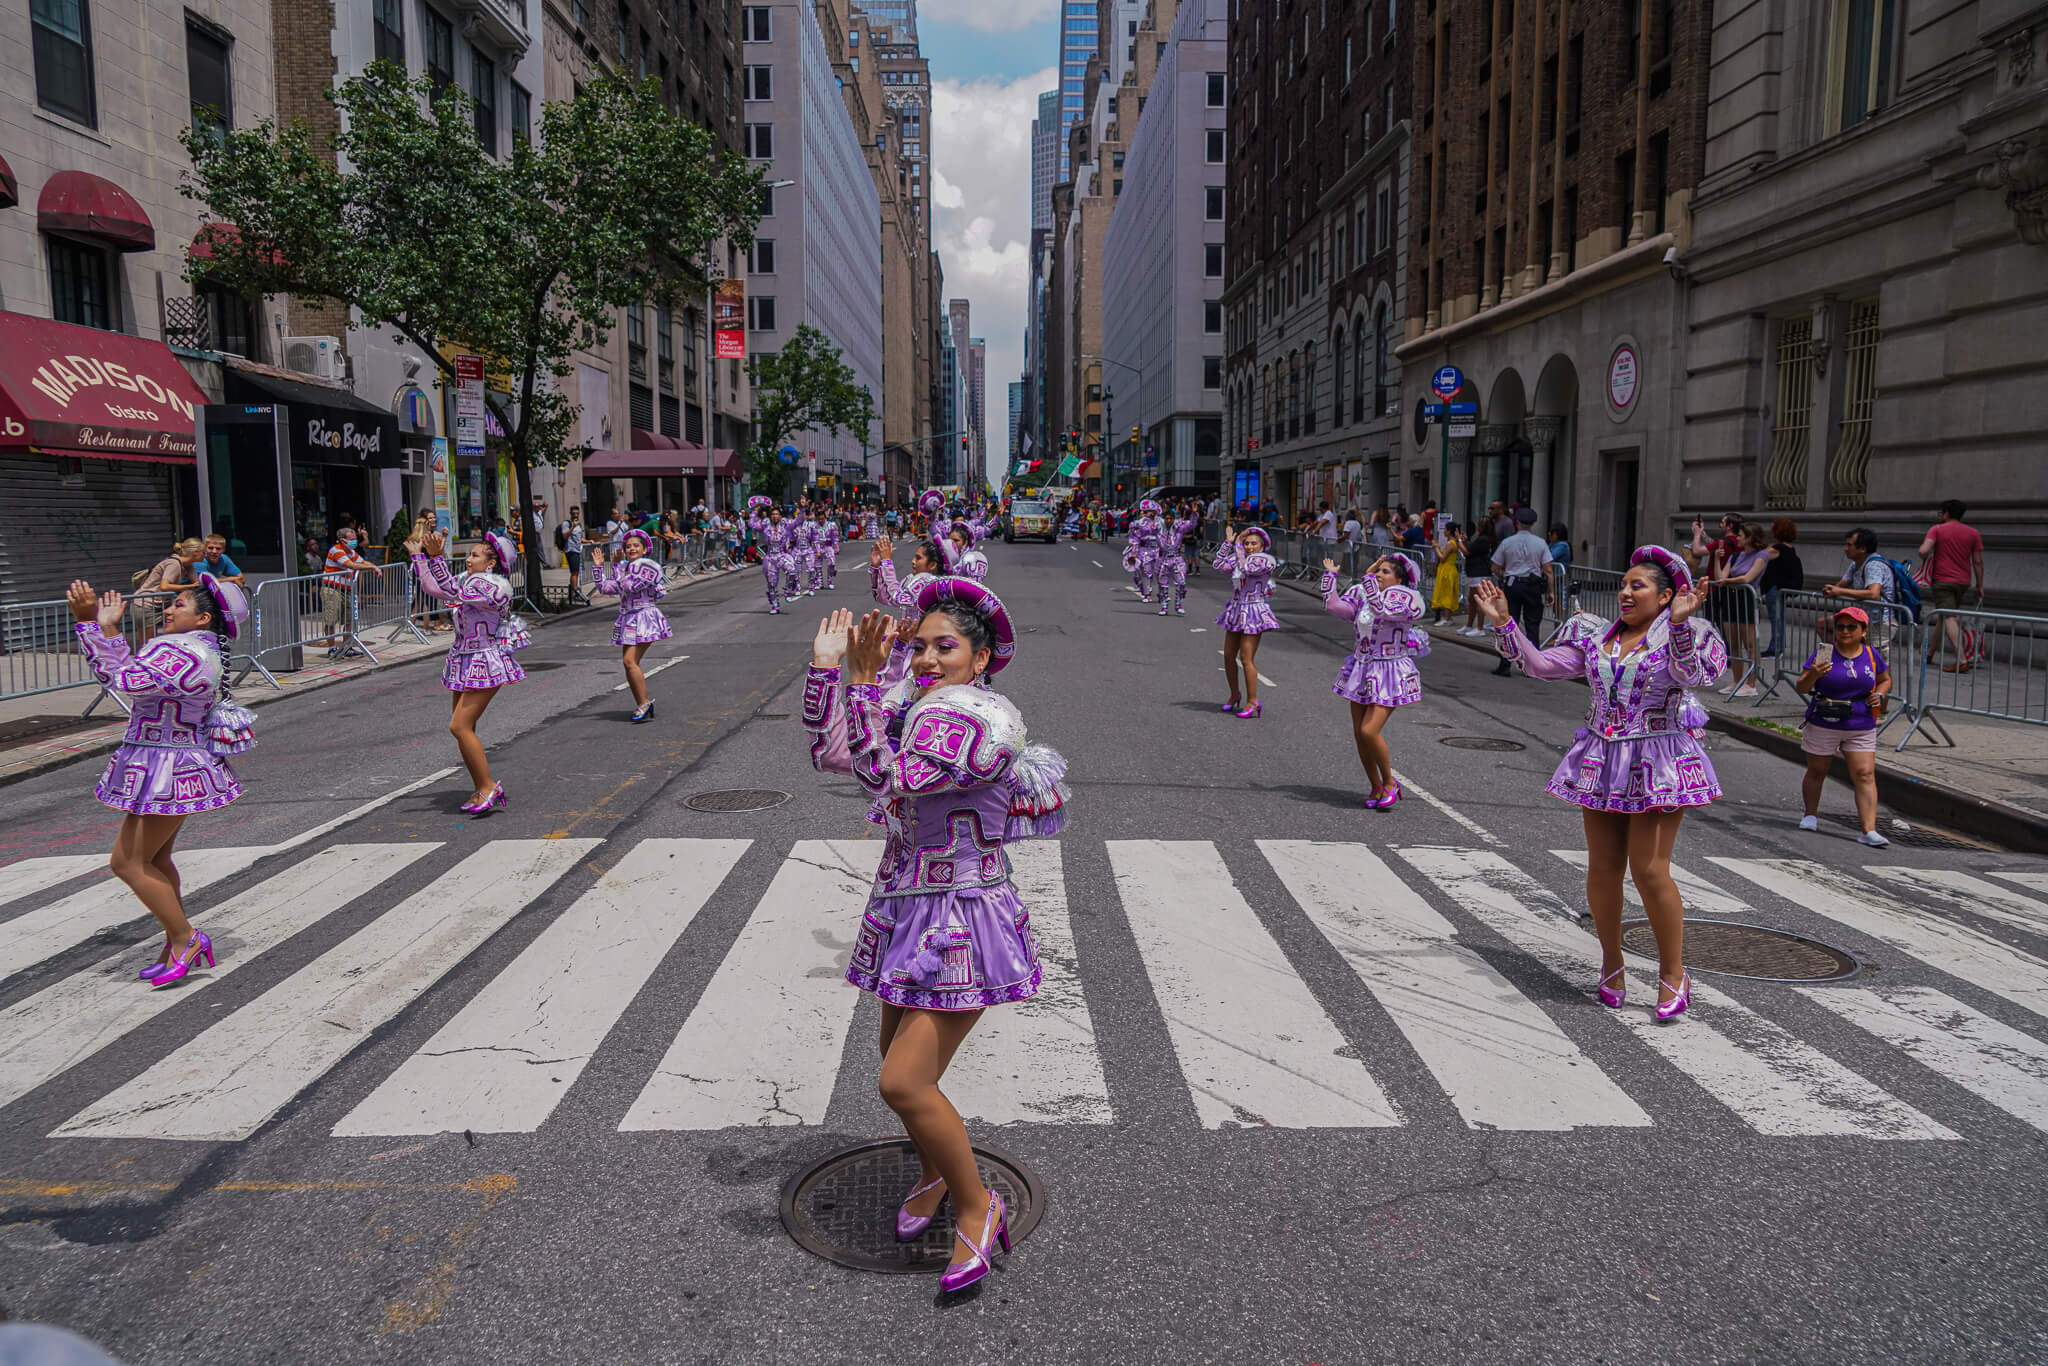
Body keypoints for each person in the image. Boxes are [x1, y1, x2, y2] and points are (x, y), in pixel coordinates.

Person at [803, 582, 1068, 1292]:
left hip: (959, 918)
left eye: (944, 646)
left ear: (981, 659)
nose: (925, 658)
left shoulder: (980, 721)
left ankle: (979, 1205)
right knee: (895, 1060)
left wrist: (863, 682)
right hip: (906, 908)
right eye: (918, 646)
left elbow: (887, 779)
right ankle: (932, 1172)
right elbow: (834, 754)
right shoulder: (917, 706)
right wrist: (829, 670)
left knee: (902, 1080)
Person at [1475, 547, 1725, 1019]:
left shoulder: (1681, 636)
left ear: (1665, 596)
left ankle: (1674, 972)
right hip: (1603, 758)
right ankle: (1612, 961)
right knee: (1603, 868)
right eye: (1624, 584)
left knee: (1650, 871)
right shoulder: (1595, 638)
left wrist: (1677, 623)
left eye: (1638, 585)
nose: (1625, 592)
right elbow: (1540, 666)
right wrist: (1505, 623)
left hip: (1658, 760)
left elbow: (1691, 674)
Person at [67, 571, 253, 985]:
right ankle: (175, 941)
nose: (168, 610)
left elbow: (124, 680)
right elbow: (134, 679)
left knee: (127, 863)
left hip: (167, 766)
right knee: (154, 860)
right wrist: (106, 629)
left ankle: (187, 937)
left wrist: (92, 624)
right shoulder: (197, 649)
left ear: (203, 619)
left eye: (178, 604)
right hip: (167, 762)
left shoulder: (183, 651)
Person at [406, 528, 527, 813]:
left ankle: (488, 786)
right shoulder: (469, 580)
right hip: (464, 660)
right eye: (469, 555)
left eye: (474, 555)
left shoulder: (494, 586)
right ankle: (481, 786)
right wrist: (420, 557)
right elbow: (435, 588)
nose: (469, 559)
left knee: (459, 726)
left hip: (485, 660)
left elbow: (450, 589)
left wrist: (434, 558)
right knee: (463, 729)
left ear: (491, 562)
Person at [1323, 554, 1429, 809]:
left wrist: (1368, 579)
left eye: (1385, 572)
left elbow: (1382, 609)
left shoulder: (1406, 598)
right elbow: (1335, 607)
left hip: (1389, 670)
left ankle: (1390, 782)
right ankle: (1375, 786)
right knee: (1359, 735)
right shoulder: (1363, 593)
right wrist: (1331, 576)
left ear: (1399, 579)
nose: (1379, 575)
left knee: (1369, 731)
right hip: (1361, 669)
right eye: (1378, 570)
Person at [1794, 605, 1892, 847]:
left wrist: (1880, 694)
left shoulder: (1871, 654)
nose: (1845, 631)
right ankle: (1810, 814)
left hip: (1861, 722)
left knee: (1865, 774)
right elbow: (1802, 687)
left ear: (1863, 631)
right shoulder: (1825, 653)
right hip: (1825, 720)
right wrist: (1814, 674)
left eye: (1851, 627)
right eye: (1840, 627)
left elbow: (1885, 680)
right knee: (1818, 770)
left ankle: (1868, 830)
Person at [590, 528, 671, 723]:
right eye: (628, 546)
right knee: (629, 664)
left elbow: (629, 586)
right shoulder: (625, 568)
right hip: (628, 620)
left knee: (629, 661)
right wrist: (599, 567)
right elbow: (606, 588)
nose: (631, 548)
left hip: (645, 617)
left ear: (644, 550)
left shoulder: (646, 569)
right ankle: (643, 703)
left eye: (636, 545)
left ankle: (644, 703)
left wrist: (617, 567)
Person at [1214, 525, 1280, 718]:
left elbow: (1247, 569)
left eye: (1253, 543)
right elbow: (1218, 565)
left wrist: (1239, 548)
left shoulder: (1266, 560)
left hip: (1253, 611)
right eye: (1247, 543)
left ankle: (1253, 701)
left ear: (1262, 546)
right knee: (1228, 654)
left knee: (1246, 658)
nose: (1249, 547)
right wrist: (1228, 543)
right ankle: (1234, 694)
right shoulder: (1239, 555)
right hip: (1236, 610)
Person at [1919, 500, 1985, 672]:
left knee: (1949, 617)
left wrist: (1925, 555)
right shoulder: (1973, 533)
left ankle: (1962, 660)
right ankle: (1929, 653)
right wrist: (1980, 585)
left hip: (1943, 581)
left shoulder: (1937, 529)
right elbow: (1978, 562)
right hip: (1963, 582)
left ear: (1946, 513)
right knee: (1944, 615)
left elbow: (1923, 551)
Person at [1713, 522, 1774, 697]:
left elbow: (1747, 578)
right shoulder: (1736, 555)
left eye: (1740, 535)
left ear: (1750, 537)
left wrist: (1727, 581)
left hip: (1746, 600)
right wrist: (1717, 559)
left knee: (1750, 644)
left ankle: (1751, 683)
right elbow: (1720, 577)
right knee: (1733, 643)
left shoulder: (1761, 555)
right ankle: (1737, 680)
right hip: (1731, 599)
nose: (1737, 538)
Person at [1489, 508, 1551, 674]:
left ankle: (1505, 664)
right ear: (1533, 524)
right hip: (1533, 586)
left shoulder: (1507, 542)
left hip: (1513, 585)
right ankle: (1533, 667)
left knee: (1508, 625)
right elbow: (1548, 570)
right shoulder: (1541, 543)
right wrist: (1551, 592)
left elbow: (1494, 567)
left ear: (1517, 522)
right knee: (1532, 626)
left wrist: (1505, 574)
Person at [1822, 527, 1901, 652]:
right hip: (1862, 619)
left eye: (1849, 545)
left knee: (1873, 659)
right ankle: (1828, 660)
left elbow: (1873, 594)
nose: (1845, 548)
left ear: (1862, 549)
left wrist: (1839, 591)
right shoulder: (1856, 563)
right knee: (1823, 625)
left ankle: (1834, 659)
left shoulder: (1874, 566)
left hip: (1879, 623)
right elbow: (1840, 585)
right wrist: (1831, 590)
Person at [319, 526, 377, 659]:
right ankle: (332, 648)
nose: (355, 541)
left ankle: (346, 647)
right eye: (352, 539)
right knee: (331, 619)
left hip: (347, 589)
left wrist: (374, 566)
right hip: (332, 589)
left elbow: (362, 561)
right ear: (342, 540)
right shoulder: (336, 550)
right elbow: (352, 565)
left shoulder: (351, 552)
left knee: (349, 620)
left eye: (355, 538)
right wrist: (373, 567)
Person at [747, 497, 801, 613]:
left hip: (782, 555)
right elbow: (752, 524)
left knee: (792, 571)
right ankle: (775, 605)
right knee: (771, 583)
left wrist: (801, 507)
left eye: (777, 514)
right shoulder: (766, 524)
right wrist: (754, 512)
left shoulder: (785, 523)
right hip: (770, 557)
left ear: (780, 516)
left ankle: (788, 590)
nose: (775, 516)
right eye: (773, 514)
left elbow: (798, 521)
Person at [1758, 518, 1802, 657]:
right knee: (1778, 618)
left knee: (1775, 618)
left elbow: (1760, 557)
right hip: (1781, 588)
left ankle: (1776, 648)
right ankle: (1778, 647)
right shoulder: (1790, 549)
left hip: (1774, 588)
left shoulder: (1777, 549)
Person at [870, 534, 947, 609]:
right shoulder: (910, 579)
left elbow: (897, 598)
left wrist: (887, 562)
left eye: (918, 558)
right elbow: (886, 598)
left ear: (932, 565)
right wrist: (876, 568)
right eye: (914, 557)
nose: (913, 561)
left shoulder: (931, 585)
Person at [1155, 503, 1201, 616]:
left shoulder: (1179, 528)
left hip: (1177, 559)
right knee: (1163, 584)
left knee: (1181, 582)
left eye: (1170, 518)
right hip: (1163, 559)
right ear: (1164, 519)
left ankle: (1178, 604)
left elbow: (1192, 524)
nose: (1168, 521)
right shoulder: (1158, 529)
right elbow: (1144, 529)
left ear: (1173, 519)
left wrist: (1194, 513)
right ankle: (1164, 606)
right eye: (1166, 518)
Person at [1459, 523, 1497, 636]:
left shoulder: (1483, 539)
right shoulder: (1482, 539)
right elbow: (1471, 549)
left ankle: (1479, 628)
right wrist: (1466, 541)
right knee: (1472, 599)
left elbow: (1467, 552)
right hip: (1476, 572)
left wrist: (1459, 541)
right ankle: (1469, 625)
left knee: (1479, 600)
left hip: (1480, 573)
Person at [1124, 498, 1165, 601]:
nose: (1151, 513)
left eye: (1153, 511)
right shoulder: (1139, 523)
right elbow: (1135, 538)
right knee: (1146, 572)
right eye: (1148, 511)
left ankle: (1162, 593)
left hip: (1158, 549)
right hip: (1145, 549)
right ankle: (1147, 594)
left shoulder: (1162, 522)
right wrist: (1134, 552)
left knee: (1160, 572)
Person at [1430, 520, 1465, 625]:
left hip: (1447, 570)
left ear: (1449, 531)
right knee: (1448, 593)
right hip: (1448, 569)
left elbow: (1442, 557)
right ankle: (1448, 617)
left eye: (1445, 529)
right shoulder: (1454, 542)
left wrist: (1436, 547)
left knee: (1446, 594)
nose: (1443, 531)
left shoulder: (1450, 544)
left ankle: (1446, 618)